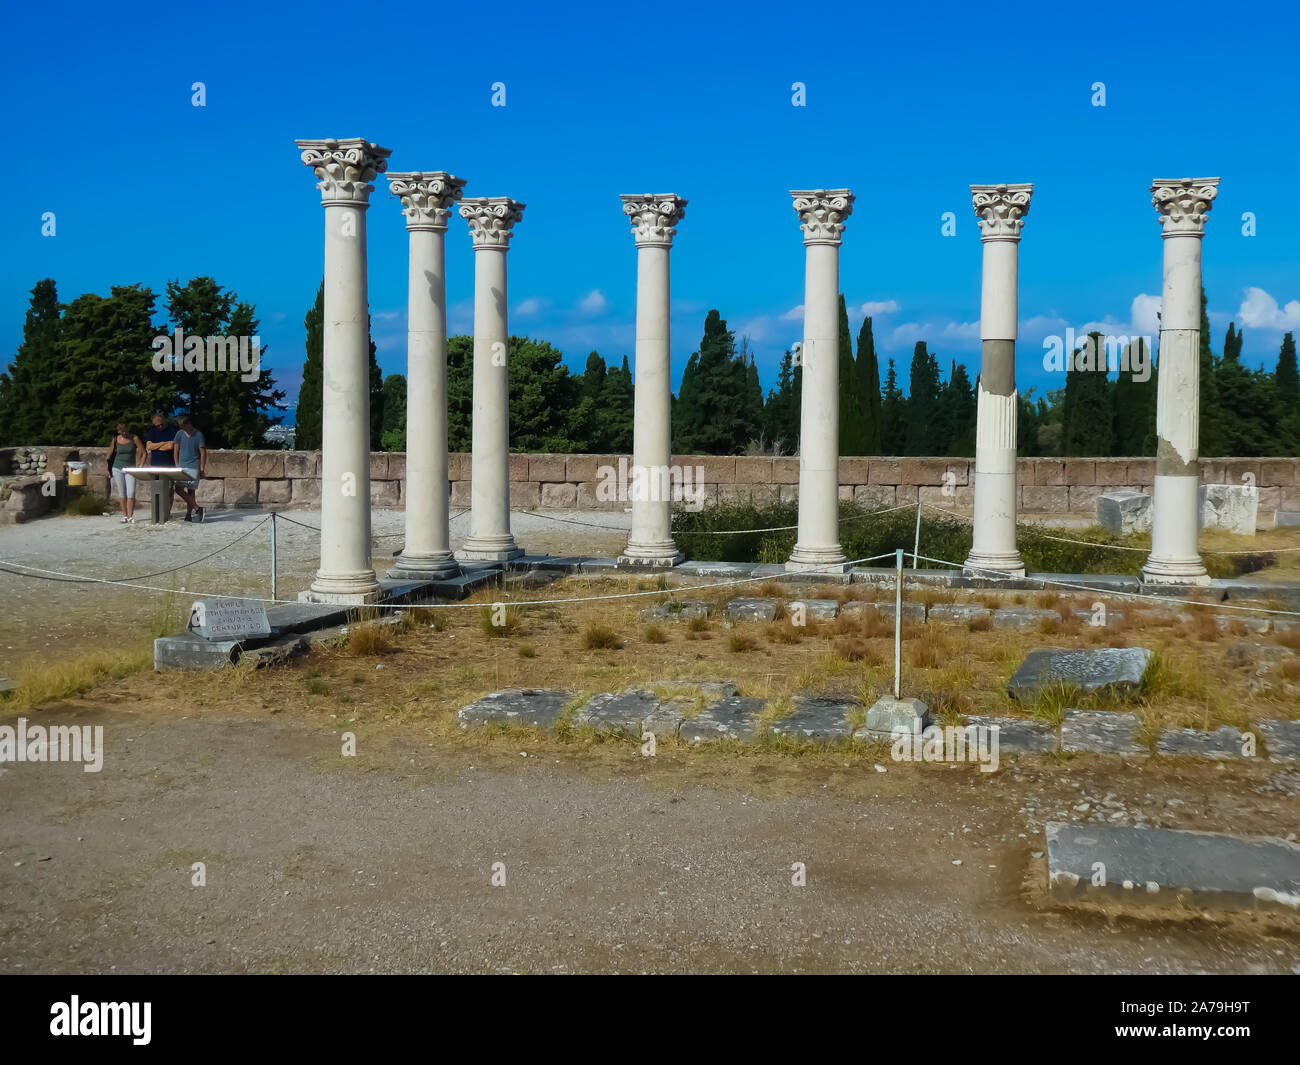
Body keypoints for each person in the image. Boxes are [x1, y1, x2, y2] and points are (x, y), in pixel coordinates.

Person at [106, 421, 144, 524]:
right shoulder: (115, 439)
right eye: (121, 432)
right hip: (117, 468)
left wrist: (140, 464)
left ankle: (130, 515)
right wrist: (108, 469)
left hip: (130, 468)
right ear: (119, 431)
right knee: (122, 493)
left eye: (125, 431)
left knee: (130, 492)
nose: (124, 434)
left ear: (128, 429)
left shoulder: (134, 438)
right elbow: (109, 455)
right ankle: (125, 516)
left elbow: (143, 452)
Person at [172, 416, 208, 523]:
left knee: (191, 491)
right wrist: (177, 465)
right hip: (182, 466)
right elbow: (176, 450)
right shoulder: (179, 434)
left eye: (184, 426)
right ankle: (197, 508)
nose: (183, 429)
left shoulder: (198, 435)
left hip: (193, 466)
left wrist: (201, 468)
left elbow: (202, 453)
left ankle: (188, 514)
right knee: (178, 489)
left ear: (189, 424)